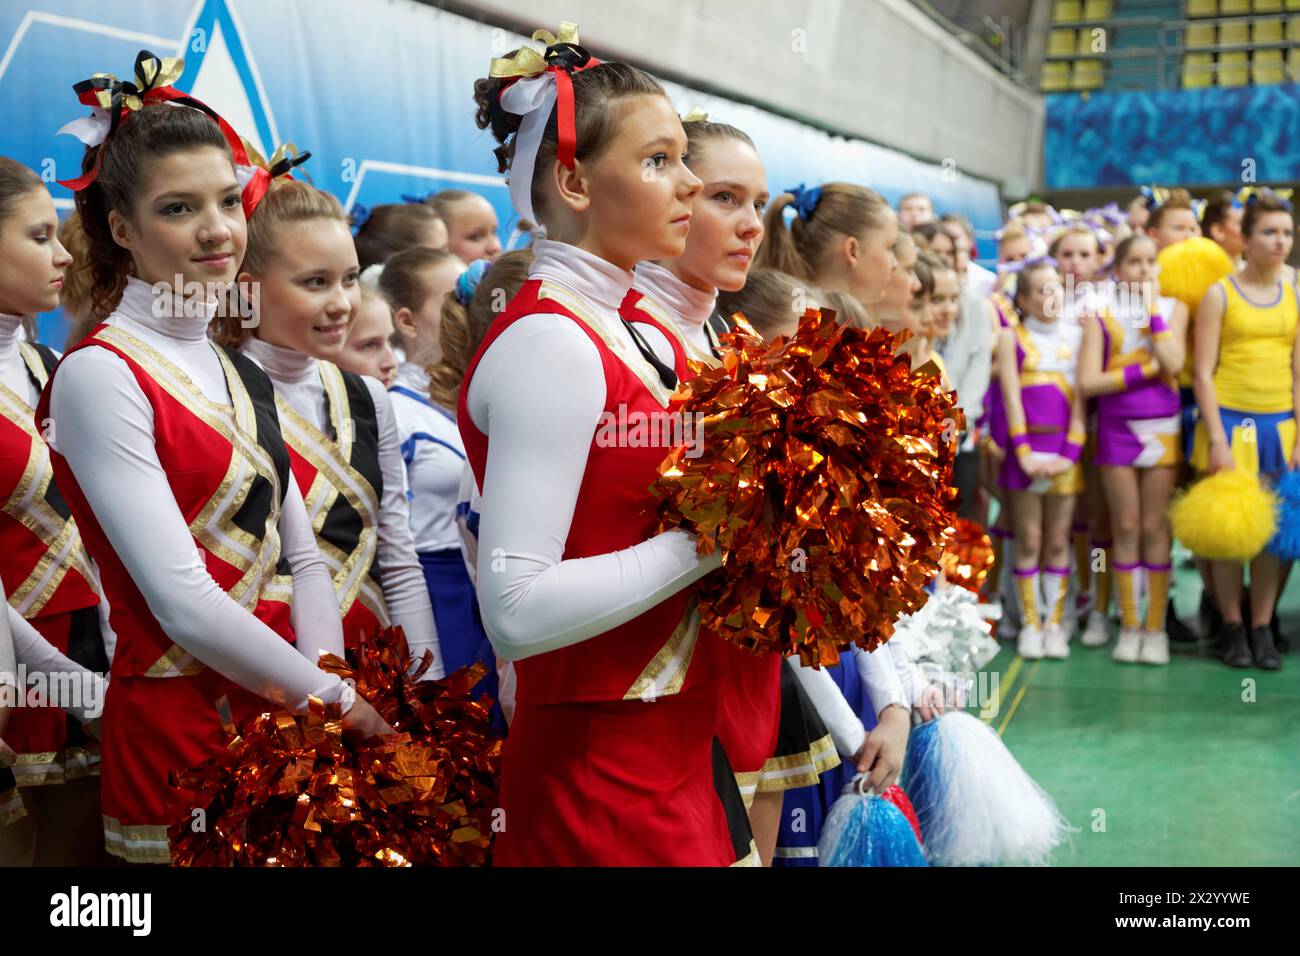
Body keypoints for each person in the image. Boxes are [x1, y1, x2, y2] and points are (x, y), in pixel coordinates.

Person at [43, 59, 390, 862]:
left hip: (288, 714)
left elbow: (303, 557)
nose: (217, 230)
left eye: (229, 201)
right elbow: (183, 605)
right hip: (180, 739)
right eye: (178, 208)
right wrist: (330, 698)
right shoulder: (101, 374)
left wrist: (316, 692)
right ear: (120, 229)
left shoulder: (243, 368)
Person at [462, 30, 739, 865]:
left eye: (683, 159)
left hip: (678, 744)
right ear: (575, 181)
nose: (690, 182)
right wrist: (718, 538)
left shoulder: (630, 331)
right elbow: (513, 609)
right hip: (597, 775)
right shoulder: (553, 343)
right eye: (659, 161)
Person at [0, 157, 112, 865]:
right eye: (41, 236)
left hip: (89, 658)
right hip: (17, 671)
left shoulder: (49, 365)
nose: (65, 254)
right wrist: (74, 688)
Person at [1191, 191, 1297, 671]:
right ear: (1247, 240)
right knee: (1232, 533)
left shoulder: (1296, 290)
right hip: (1232, 424)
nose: (1281, 242)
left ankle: (1262, 625)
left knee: (1274, 534)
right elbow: (1201, 373)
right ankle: (1232, 627)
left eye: (1287, 233)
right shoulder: (1220, 293)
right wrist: (1216, 438)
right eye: (1270, 232)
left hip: (1281, 425)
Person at [1078, 235, 1187, 664]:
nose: (1144, 269)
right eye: (1135, 262)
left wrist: (1154, 310)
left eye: (1150, 262)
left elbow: (1175, 364)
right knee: (1123, 526)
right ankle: (1128, 625)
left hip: (1163, 427)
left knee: (1154, 526)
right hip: (1116, 427)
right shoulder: (1098, 313)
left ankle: (1155, 629)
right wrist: (1146, 371)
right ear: (1118, 269)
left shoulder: (1175, 308)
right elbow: (1089, 381)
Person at [997, 258, 1086, 660]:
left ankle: (1056, 624)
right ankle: (1031, 623)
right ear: (1025, 300)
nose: (1051, 297)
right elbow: (1011, 397)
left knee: (1057, 540)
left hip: (1067, 454)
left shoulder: (1080, 336)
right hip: (1026, 455)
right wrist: (1024, 452)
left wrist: (1070, 453)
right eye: (1041, 291)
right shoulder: (1011, 337)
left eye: (1056, 289)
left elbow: (1082, 400)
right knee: (1029, 539)